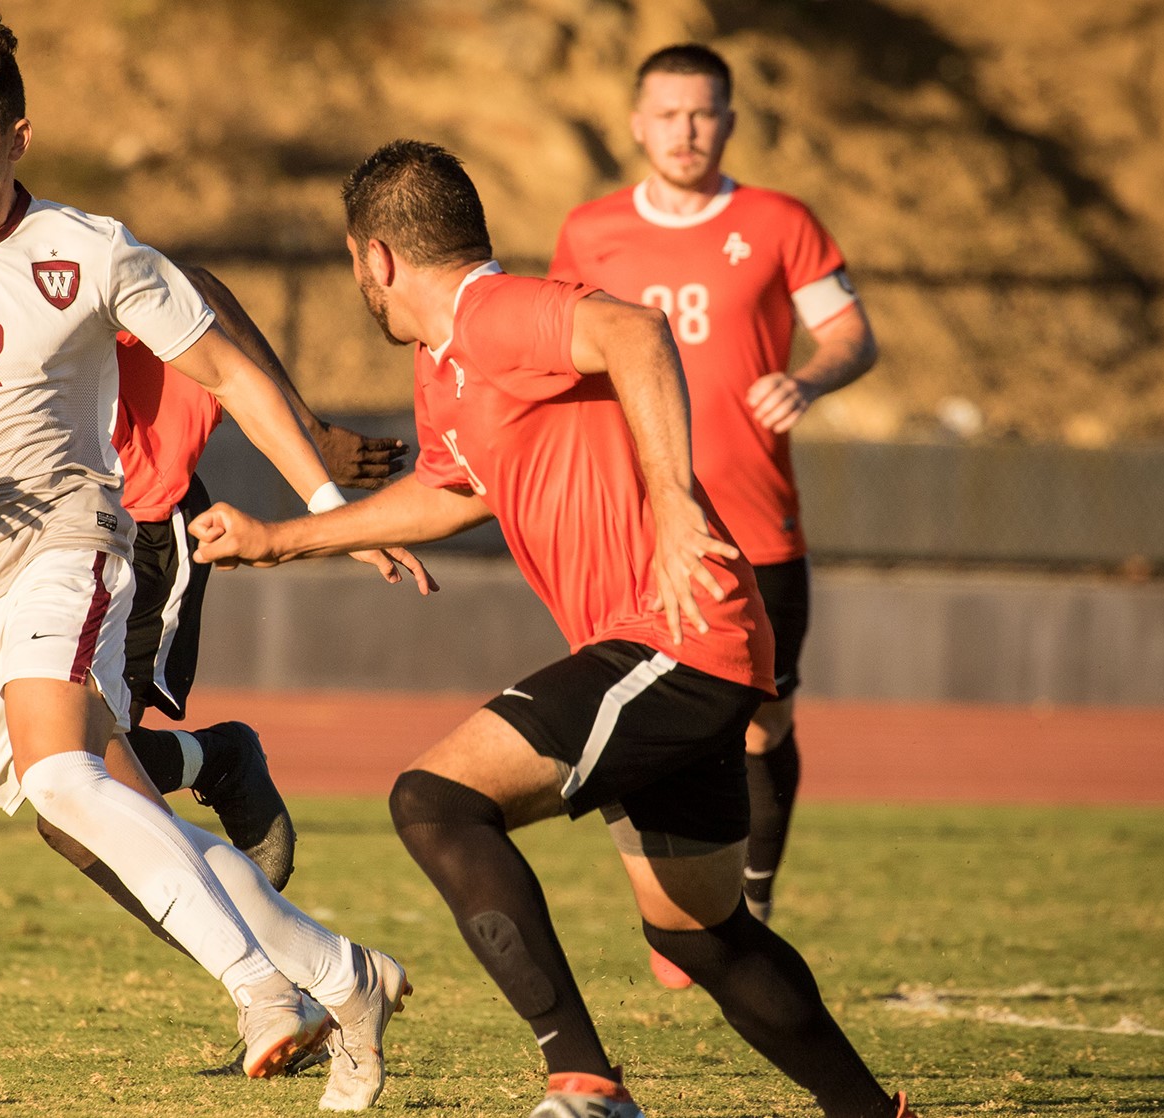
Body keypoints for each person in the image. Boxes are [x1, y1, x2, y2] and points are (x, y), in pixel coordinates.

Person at [0, 11, 413, 1108]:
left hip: (67, 537)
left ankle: (261, 987)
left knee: (62, 770)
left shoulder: (89, 250)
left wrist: (332, 504)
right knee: (94, 811)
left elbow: (233, 371)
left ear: (17, 135)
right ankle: (346, 973)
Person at [191, 140, 918, 1118]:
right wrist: (278, 539)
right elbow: (450, 493)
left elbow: (633, 331)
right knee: (699, 933)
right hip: (674, 650)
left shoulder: (492, 311)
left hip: (674, 635)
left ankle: (583, 1082)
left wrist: (670, 501)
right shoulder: (443, 361)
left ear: (374, 260)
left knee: (431, 801)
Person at [548, 44, 879, 988]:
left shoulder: (779, 221)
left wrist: (808, 377)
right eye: (668, 114)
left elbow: (851, 332)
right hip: (643, 527)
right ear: (636, 124)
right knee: (658, 719)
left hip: (759, 525)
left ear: (730, 121)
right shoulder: (592, 231)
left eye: (704, 113)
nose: (685, 131)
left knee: (762, 728)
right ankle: (684, 920)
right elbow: (565, 352)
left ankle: (751, 902)